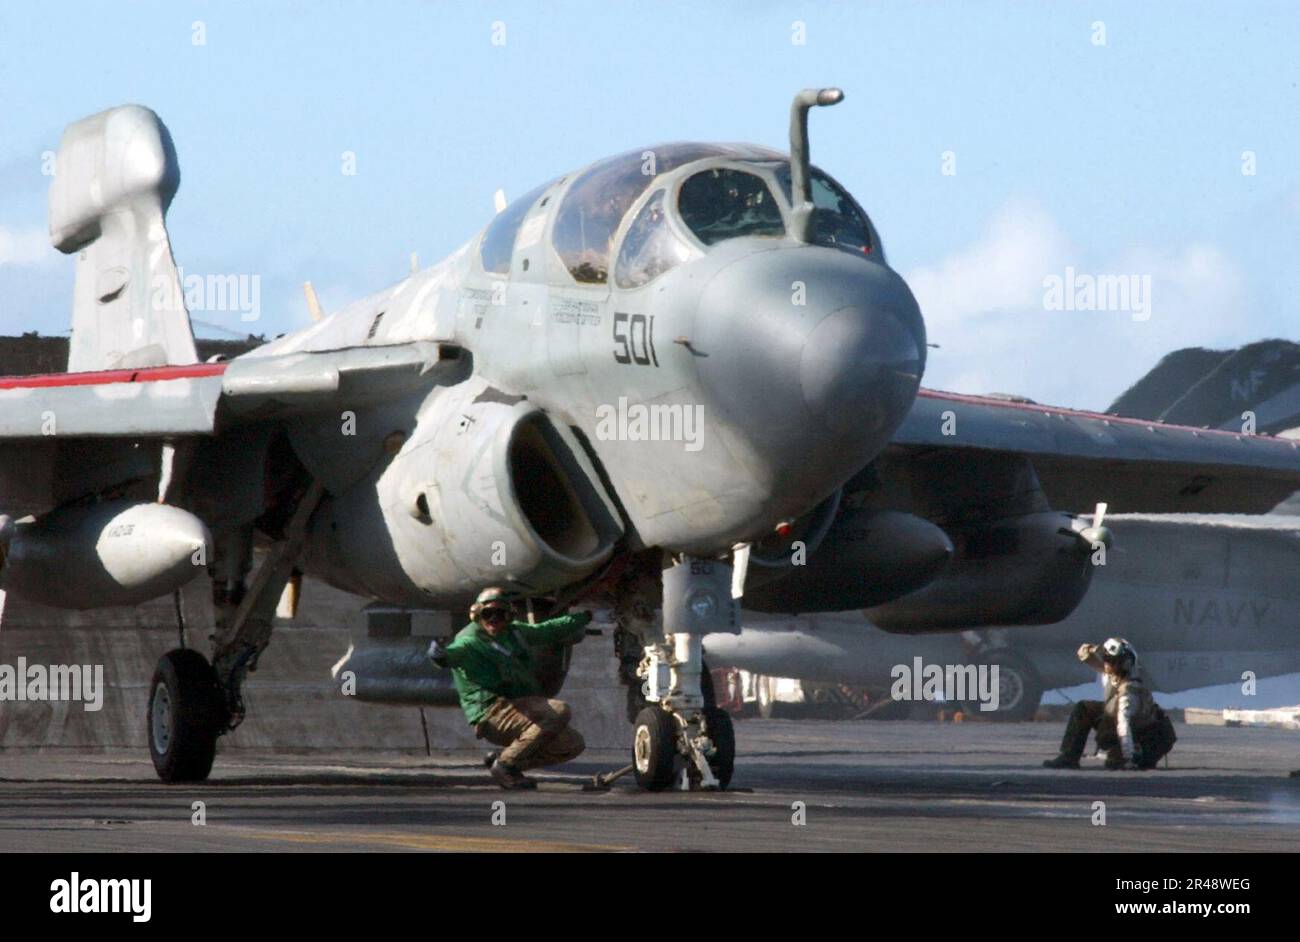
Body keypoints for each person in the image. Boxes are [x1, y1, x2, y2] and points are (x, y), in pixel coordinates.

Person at [428, 587, 592, 789]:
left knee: (572, 744)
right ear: (478, 615)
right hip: (492, 713)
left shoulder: (515, 633)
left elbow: (548, 630)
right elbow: (450, 656)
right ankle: (506, 765)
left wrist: (584, 617)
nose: (495, 620)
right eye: (488, 614)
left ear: (510, 616)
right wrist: (439, 655)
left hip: (517, 707)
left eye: (501, 614)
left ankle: (505, 761)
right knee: (558, 710)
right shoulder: (470, 642)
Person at [1042, 637, 1176, 771]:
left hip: (1148, 737)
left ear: (1122, 664)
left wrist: (1128, 757)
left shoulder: (1130, 690)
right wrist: (1096, 649)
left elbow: (1124, 725)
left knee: (1115, 763)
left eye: (1110, 661)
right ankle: (1069, 757)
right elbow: (1083, 653)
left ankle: (1136, 757)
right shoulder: (1114, 671)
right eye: (1105, 660)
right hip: (1126, 724)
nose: (1106, 665)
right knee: (1084, 708)